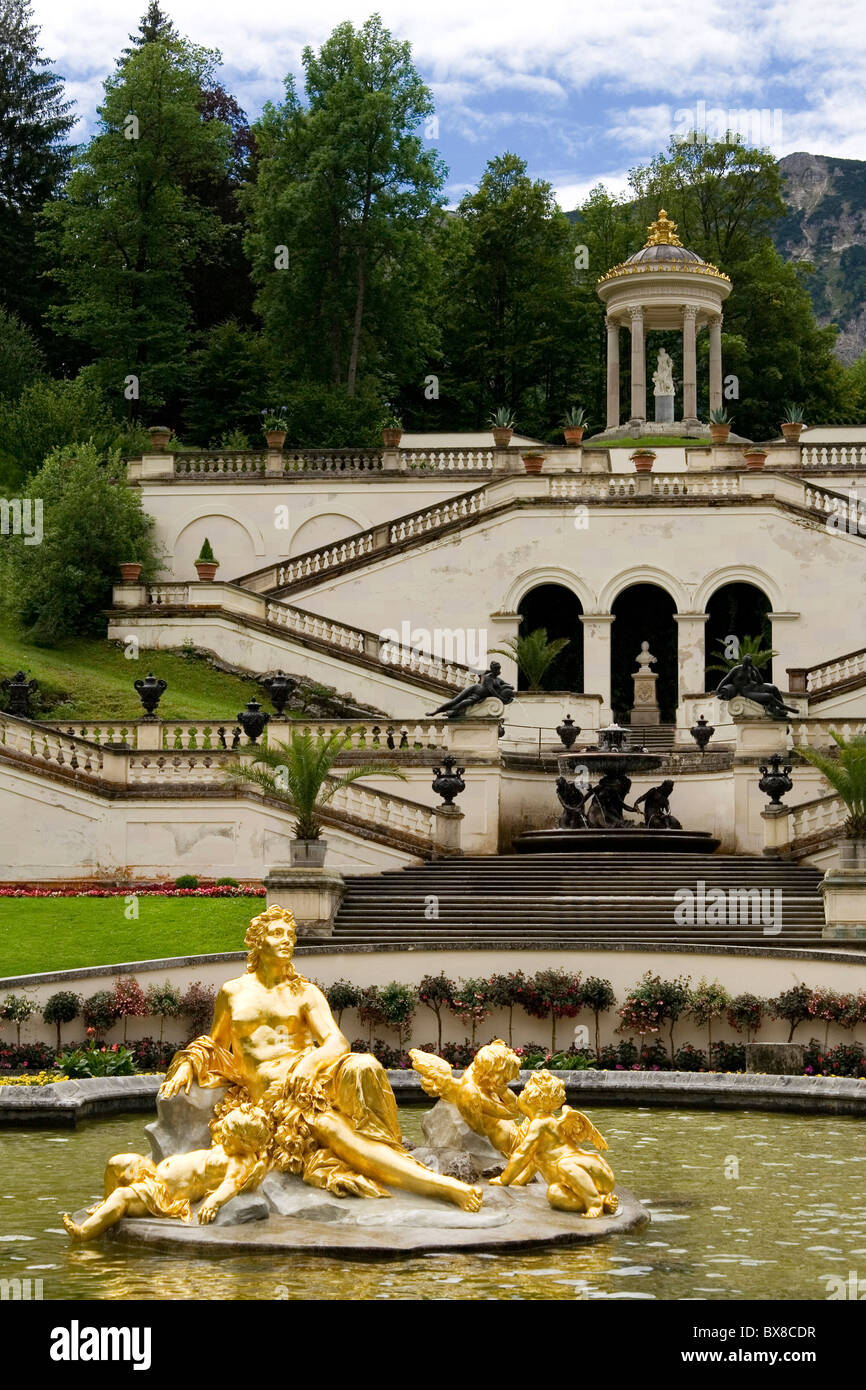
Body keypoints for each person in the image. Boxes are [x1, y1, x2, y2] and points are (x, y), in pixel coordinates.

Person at [159, 905, 482, 1211]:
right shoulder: (233, 992)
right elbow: (215, 1044)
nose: (286, 939)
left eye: (290, 934)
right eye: (276, 933)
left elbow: (336, 1041)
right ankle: (441, 1186)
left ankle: (387, 1146)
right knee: (332, 1129)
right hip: (273, 1094)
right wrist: (188, 1063)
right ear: (257, 943)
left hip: (312, 1078)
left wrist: (310, 1063)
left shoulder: (305, 992)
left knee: (365, 1064)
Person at [63, 1103, 271, 1239]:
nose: (222, 1136)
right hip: (154, 1173)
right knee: (116, 1163)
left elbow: (231, 1184)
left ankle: (84, 1233)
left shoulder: (240, 1162)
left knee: (122, 1195)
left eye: (228, 1135)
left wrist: (214, 1202)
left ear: (245, 1143)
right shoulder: (228, 1148)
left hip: (164, 1194)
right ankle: (107, 1207)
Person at [489, 1071, 619, 1217]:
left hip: (591, 1171)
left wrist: (504, 1179)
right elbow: (535, 1159)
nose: (521, 1093)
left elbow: (522, 1153)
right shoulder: (540, 1123)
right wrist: (519, 1181)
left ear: (534, 1099)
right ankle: (602, 1200)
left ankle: (594, 1203)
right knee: (554, 1194)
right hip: (576, 1182)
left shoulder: (541, 1123)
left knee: (565, 1165)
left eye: (525, 1090)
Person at [714, 654, 797, 720]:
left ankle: (781, 708)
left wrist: (756, 670)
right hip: (746, 692)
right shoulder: (736, 669)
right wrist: (717, 690)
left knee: (773, 688)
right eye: (745, 663)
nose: (746, 665)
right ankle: (784, 707)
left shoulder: (750, 669)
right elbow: (725, 679)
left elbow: (760, 682)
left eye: (748, 663)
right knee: (769, 696)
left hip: (753, 686)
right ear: (743, 662)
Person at [427, 661, 515, 718]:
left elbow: (511, 686)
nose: (498, 671)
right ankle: (435, 712)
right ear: (493, 669)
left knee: (464, 703)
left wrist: (504, 687)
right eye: (496, 669)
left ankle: (452, 711)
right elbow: (491, 690)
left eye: (499, 669)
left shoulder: (498, 679)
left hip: (479, 696)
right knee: (455, 701)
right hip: (475, 690)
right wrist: (501, 697)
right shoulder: (489, 678)